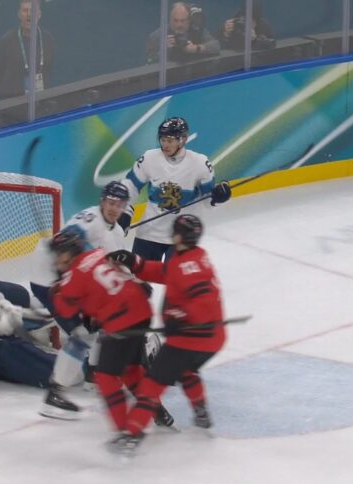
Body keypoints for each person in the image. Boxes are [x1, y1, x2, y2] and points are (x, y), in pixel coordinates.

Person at [107, 214, 226, 454]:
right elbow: (166, 273)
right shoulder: (194, 256)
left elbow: (205, 301)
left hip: (190, 338)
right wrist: (135, 262)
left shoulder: (187, 266)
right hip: (214, 338)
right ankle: (201, 412)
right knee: (186, 371)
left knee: (152, 383)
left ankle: (132, 436)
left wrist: (180, 317)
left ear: (180, 235)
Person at [47, 227, 154, 437]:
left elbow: (65, 309)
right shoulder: (98, 254)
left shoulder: (73, 275)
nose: (57, 258)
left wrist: (58, 288)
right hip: (142, 311)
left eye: (60, 253)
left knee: (105, 377)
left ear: (71, 251)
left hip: (122, 321)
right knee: (131, 370)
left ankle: (127, 433)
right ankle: (156, 410)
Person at [118, 116, 231, 262]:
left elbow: (208, 201)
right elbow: (131, 185)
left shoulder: (200, 163)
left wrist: (219, 197)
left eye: (170, 140)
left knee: (177, 283)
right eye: (163, 140)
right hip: (149, 233)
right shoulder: (149, 158)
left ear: (183, 140)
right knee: (138, 281)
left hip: (182, 237)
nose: (165, 145)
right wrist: (125, 212)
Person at [0, 0, 55, 98]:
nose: (29, 15)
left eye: (33, 10)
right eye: (25, 10)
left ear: (39, 14)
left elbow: (52, 70)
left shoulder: (48, 39)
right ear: (19, 14)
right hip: (13, 104)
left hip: (42, 102)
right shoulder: (6, 41)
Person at [146, 2, 220, 64]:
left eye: (183, 20)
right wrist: (165, 50)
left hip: (195, 74)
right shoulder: (157, 36)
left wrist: (196, 48)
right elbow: (150, 62)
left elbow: (216, 46)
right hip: (170, 78)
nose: (179, 25)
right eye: (175, 20)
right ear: (170, 19)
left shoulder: (196, 30)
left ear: (189, 20)